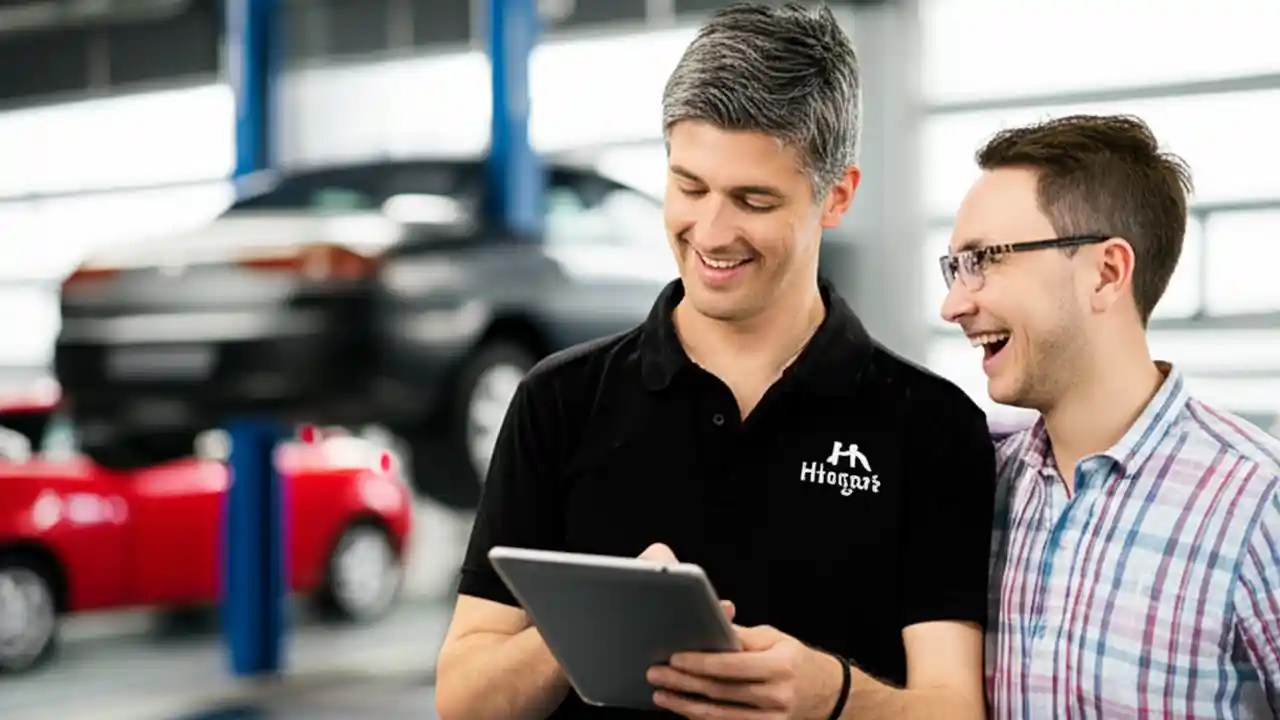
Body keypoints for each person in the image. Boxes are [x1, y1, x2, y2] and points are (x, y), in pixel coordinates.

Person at [436, 4, 996, 719]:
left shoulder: (930, 426)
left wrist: (834, 696)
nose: (712, 231)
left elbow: (953, 706)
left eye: (753, 200)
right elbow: (463, 700)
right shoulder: (559, 402)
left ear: (838, 196)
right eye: (689, 187)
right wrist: (591, 623)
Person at [939, 114, 1280, 718]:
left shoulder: (1256, 504)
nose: (953, 304)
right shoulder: (977, 483)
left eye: (985, 260)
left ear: (1106, 272)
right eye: (954, 268)